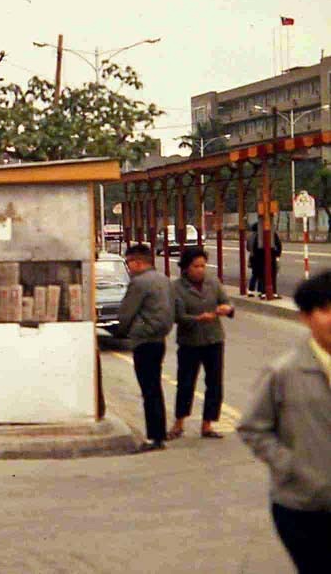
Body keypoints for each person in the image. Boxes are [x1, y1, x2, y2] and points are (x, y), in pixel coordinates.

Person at [238, 271, 331, 574]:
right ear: (305, 317)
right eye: (325, 310)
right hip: (302, 507)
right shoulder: (284, 372)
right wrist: (291, 465)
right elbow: (252, 427)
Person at [167, 248, 234, 441]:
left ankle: (208, 424)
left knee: (214, 382)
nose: (200, 270)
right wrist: (197, 319)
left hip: (214, 339)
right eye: (196, 266)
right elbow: (177, 316)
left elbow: (227, 303)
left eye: (203, 266)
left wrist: (226, 309)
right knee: (186, 383)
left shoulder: (213, 283)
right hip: (189, 342)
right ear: (186, 268)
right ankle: (179, 423)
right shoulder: (176, 288)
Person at [114, 243, 174, 452]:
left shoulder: (139, 283)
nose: (129, 268)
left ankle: (154, 437)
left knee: (148, 389)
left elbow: (126, 312)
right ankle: (160, 432)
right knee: (155, 387)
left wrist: (121, 331)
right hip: (159, 340)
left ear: (138, 262)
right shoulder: (163, 279)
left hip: (143, 341)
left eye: (129, 263)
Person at [251, 224, 284, 299]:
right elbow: (279, 245)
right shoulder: (273, 234)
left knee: (262, 276)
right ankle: (274, 292)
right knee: (273, 275)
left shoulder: (259, 235)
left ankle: (263, 293)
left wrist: (257, 257)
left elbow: (255, 247)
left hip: (260, 258)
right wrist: (277, 254)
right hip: (272, 257)